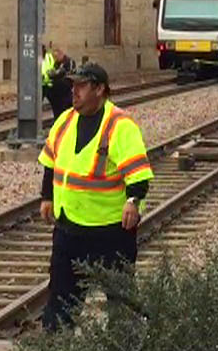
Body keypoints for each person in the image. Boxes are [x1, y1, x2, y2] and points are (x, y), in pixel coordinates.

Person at [37, 63, 152, 331]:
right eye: (73, 86)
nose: (74, 91)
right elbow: (51, 162)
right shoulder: (65, 121)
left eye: (81, 86)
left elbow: (138, 174)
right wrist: (46, 197)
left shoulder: (120, 126)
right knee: (60, 301)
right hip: (68, 228)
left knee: (120, 303)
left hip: (110, 233)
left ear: (100, 89)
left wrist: (133, 202)